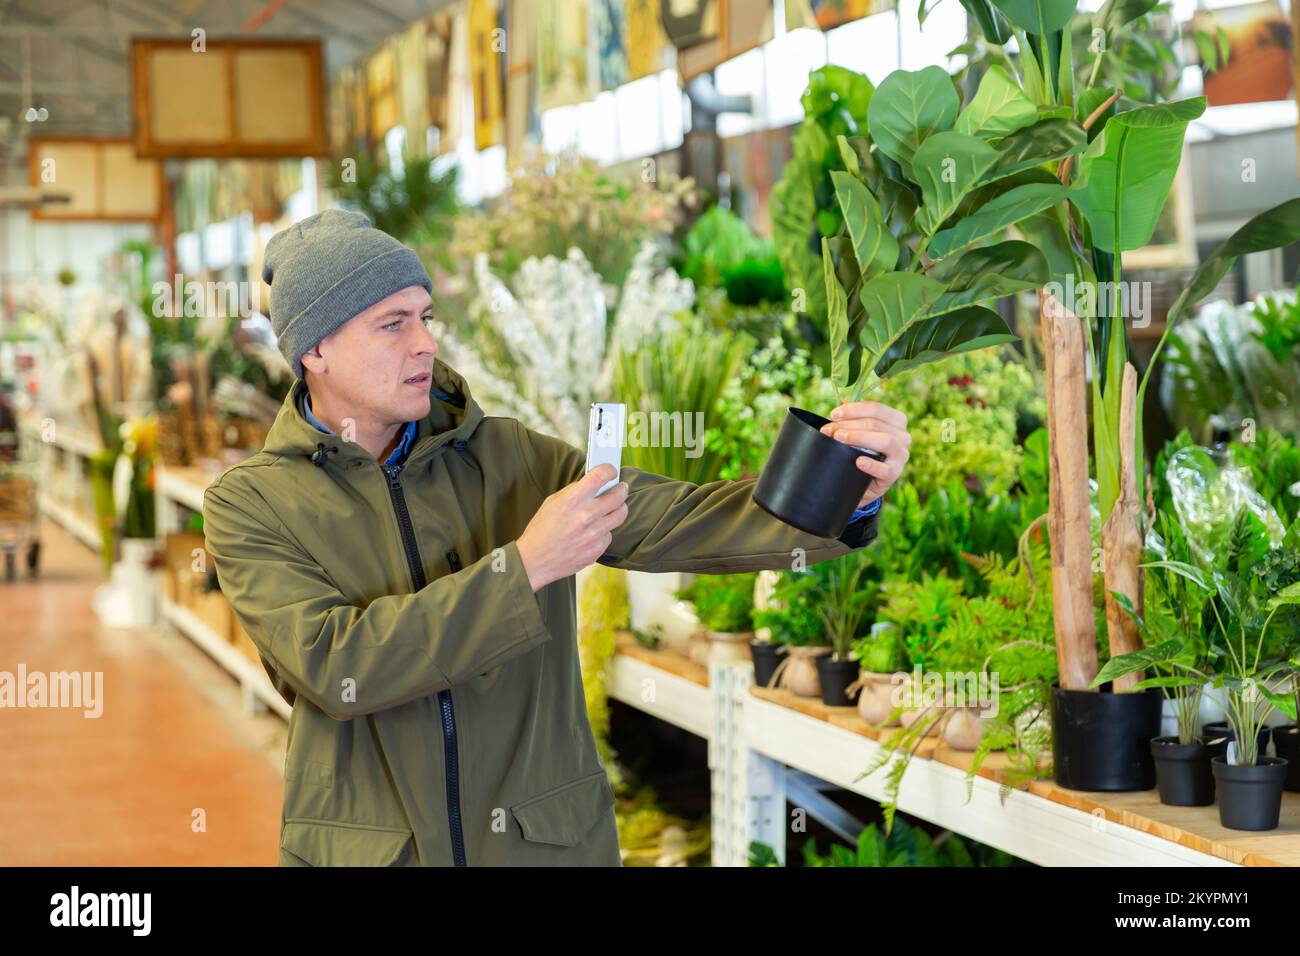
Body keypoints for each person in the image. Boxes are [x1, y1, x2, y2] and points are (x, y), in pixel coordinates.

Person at [201, 209, 911, 867]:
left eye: (425, 315)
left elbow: (679, 519)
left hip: (540, 847)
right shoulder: (252, 504)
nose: (426, 342)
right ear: (316, 350)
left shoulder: (513, 459)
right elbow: (336, 664)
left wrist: (844, 487)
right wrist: (526, 567)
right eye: (392, 324)